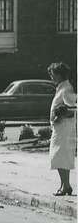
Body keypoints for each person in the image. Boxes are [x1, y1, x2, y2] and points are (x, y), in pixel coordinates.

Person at [47, 61, 76, 196]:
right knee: (60, 157)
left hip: (63, 129)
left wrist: (60, 115)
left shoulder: (66, 88)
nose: (51, 77)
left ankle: (65, 186)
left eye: (52, 74)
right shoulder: (61, 87)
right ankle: (65, 185)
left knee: (58, 157)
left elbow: (73, 108)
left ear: (59, 74)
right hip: (60, 129)